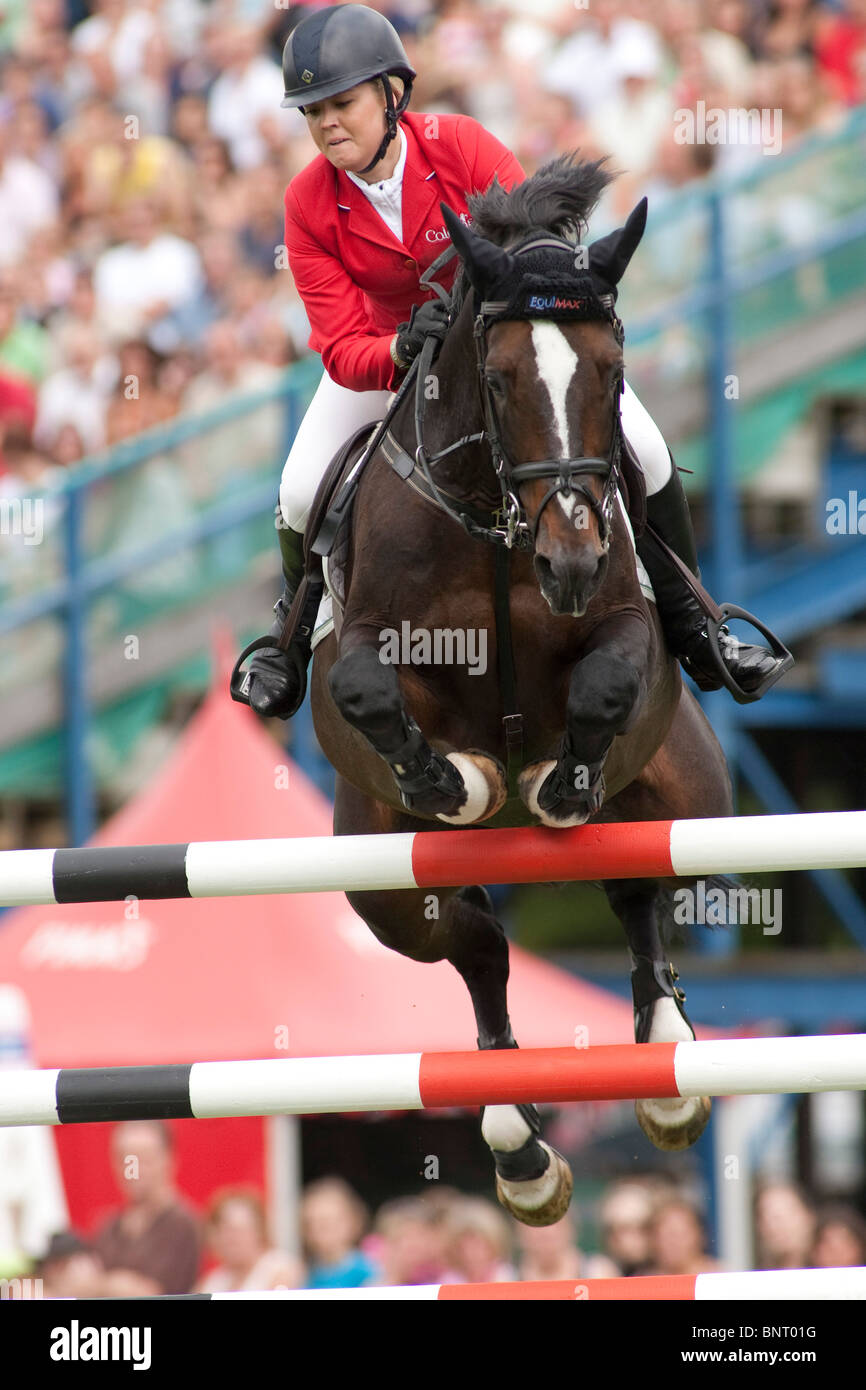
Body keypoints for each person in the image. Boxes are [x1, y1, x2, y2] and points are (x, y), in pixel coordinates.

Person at [239, 3, 788, 722]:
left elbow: (540, 251)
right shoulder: (308, 202)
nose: (327, 124)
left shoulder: (460, 146)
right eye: (313, 113)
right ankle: (288, 643)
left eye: (342, 104)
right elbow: (339, 343)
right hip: (388, 365)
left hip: (512, 351)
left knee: (648, 452)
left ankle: (698, 627)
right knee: (301, 487)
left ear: (390, 96)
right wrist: (399, 349)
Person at [93, 1119, 201, 1296]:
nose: (134, 1169)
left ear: (169, 1158)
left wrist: (96, 1283)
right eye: (126, 1159)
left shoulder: (182, 1224)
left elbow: (153, 1294)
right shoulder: (108, 1227)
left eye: (145, 1159)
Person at [195, 1187, 304, 1293]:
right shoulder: (213, 1281)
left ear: (259, 1230)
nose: (230, 1239)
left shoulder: (281, 1269)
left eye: (238, 1231)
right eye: (222, 1231)